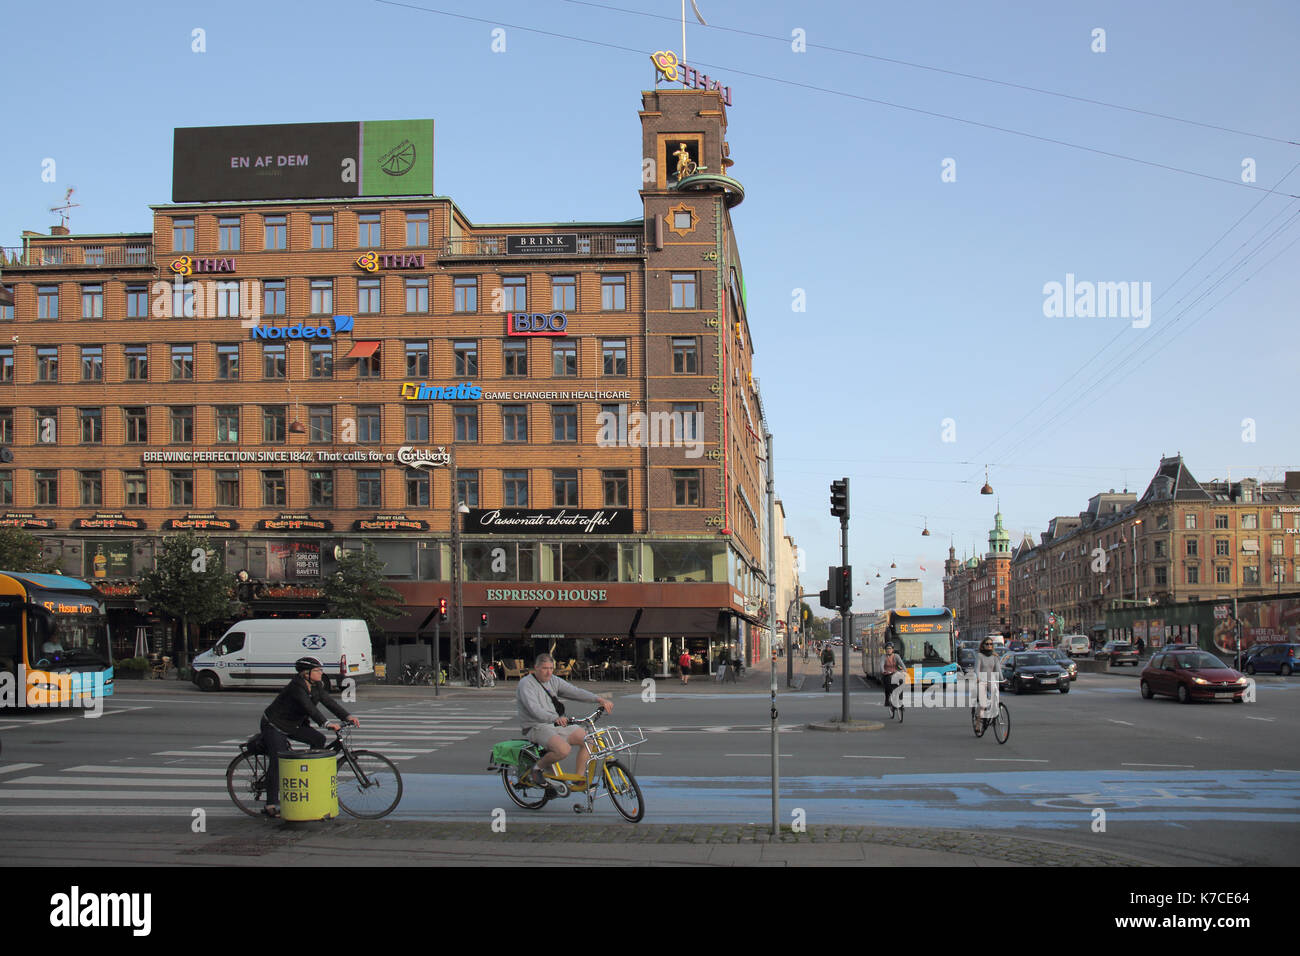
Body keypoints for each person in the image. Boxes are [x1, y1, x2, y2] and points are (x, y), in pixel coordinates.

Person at [260, 657, 359, 818]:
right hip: (274, 724)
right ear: (306, 673)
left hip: (294, 724)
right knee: (277, 759)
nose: (321, 673)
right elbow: (310, 708)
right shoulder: (296, 687)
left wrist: (347, 716)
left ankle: (309, 774)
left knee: (318, 740)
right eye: (318, 670)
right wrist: (327, 723)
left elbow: (329, 702)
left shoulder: (317, 686)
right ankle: (271, 803)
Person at [517, 653, 613, 788]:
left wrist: (598, 699)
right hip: (536, 726)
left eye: (551, 668)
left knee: (588, 739)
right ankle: (536, 769)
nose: (548, 672)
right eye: (544, 668)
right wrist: (555, 718)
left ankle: (579, 779)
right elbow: (534, 709)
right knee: (563, 750)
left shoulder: (553, 680)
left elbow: (575, 692)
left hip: (555, 723)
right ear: (536, 668)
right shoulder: (526, 684)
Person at [974, 638, 1000, 722]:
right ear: (983, 645)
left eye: (991, 644)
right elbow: (977, 668)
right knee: (983, 704)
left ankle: (992, 714)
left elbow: (998, 670)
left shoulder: (995, 656)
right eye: (987, 644)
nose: (989, 645)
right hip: (981, 680)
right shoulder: (979, 655)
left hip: (991, 680)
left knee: (995, 698)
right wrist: (978, 677)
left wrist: (1003, 679)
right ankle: (978, 722)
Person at [881, 642, 906, 710]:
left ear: (892, 649)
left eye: (889, 649)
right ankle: (887, 700)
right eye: (887, 649)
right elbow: (882, 665)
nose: (888, 650)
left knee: (901, 684)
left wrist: (904, 670)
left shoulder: (896, 656)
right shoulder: (883, 656)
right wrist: (883, 671)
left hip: (895, 673)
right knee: (887, 686)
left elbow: (901, 663)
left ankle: (900, 702)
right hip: (887, 674)